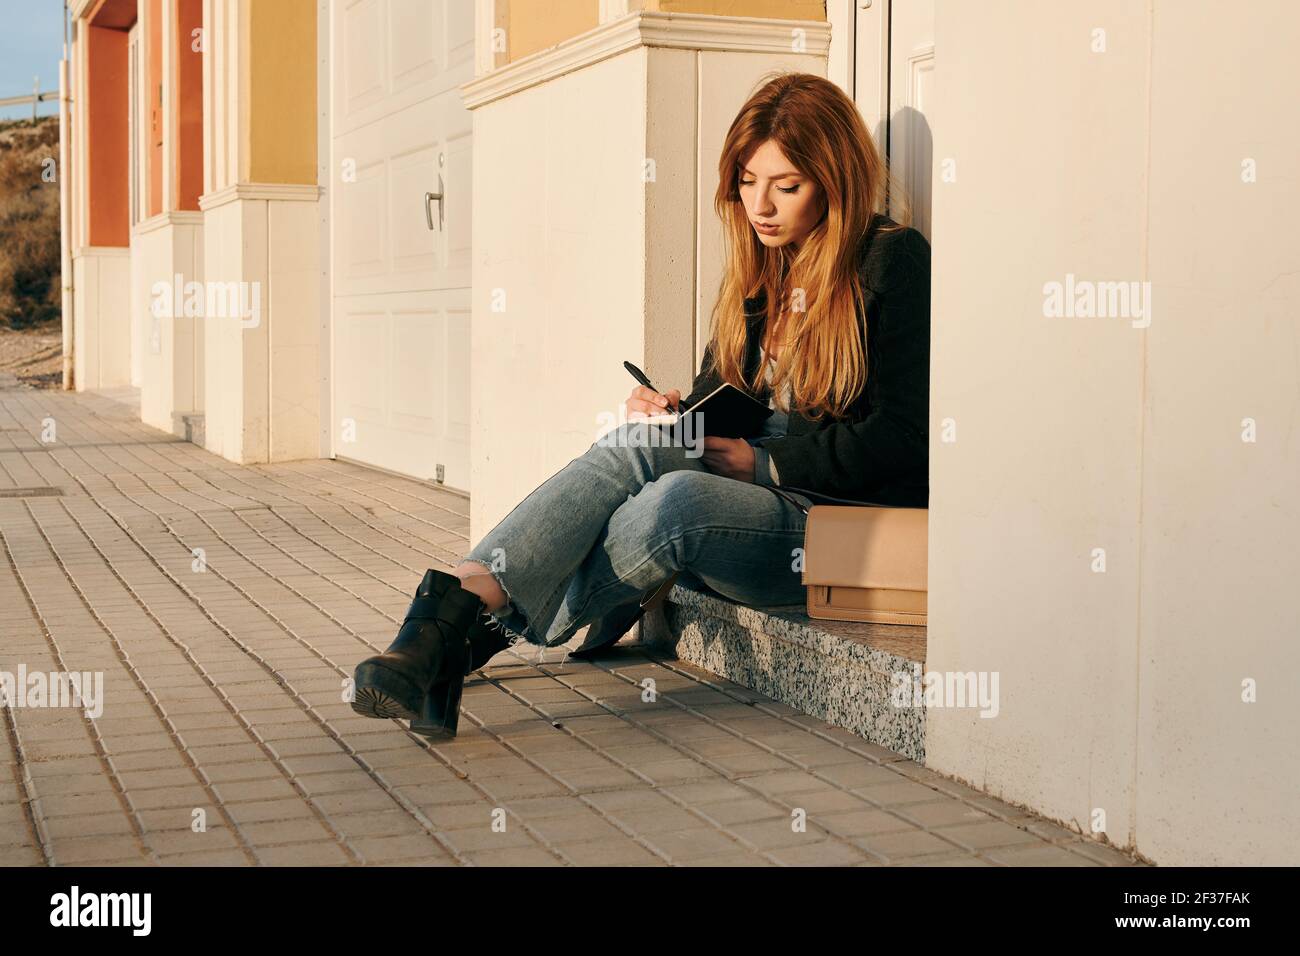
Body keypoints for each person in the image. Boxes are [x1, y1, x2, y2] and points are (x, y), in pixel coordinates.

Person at [350, 71, 931, 738]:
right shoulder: (763, 267)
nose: (760, 206)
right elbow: (730, 395)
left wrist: (766, 465)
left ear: (836, 181)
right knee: (647, 443)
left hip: (830, 525)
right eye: (746, 182)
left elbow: (906, 437)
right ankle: (455, 622)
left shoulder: (892, 262)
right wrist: (678, 409)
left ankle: (450, 634)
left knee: (671, 506)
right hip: (753, 492)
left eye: (786, 186)